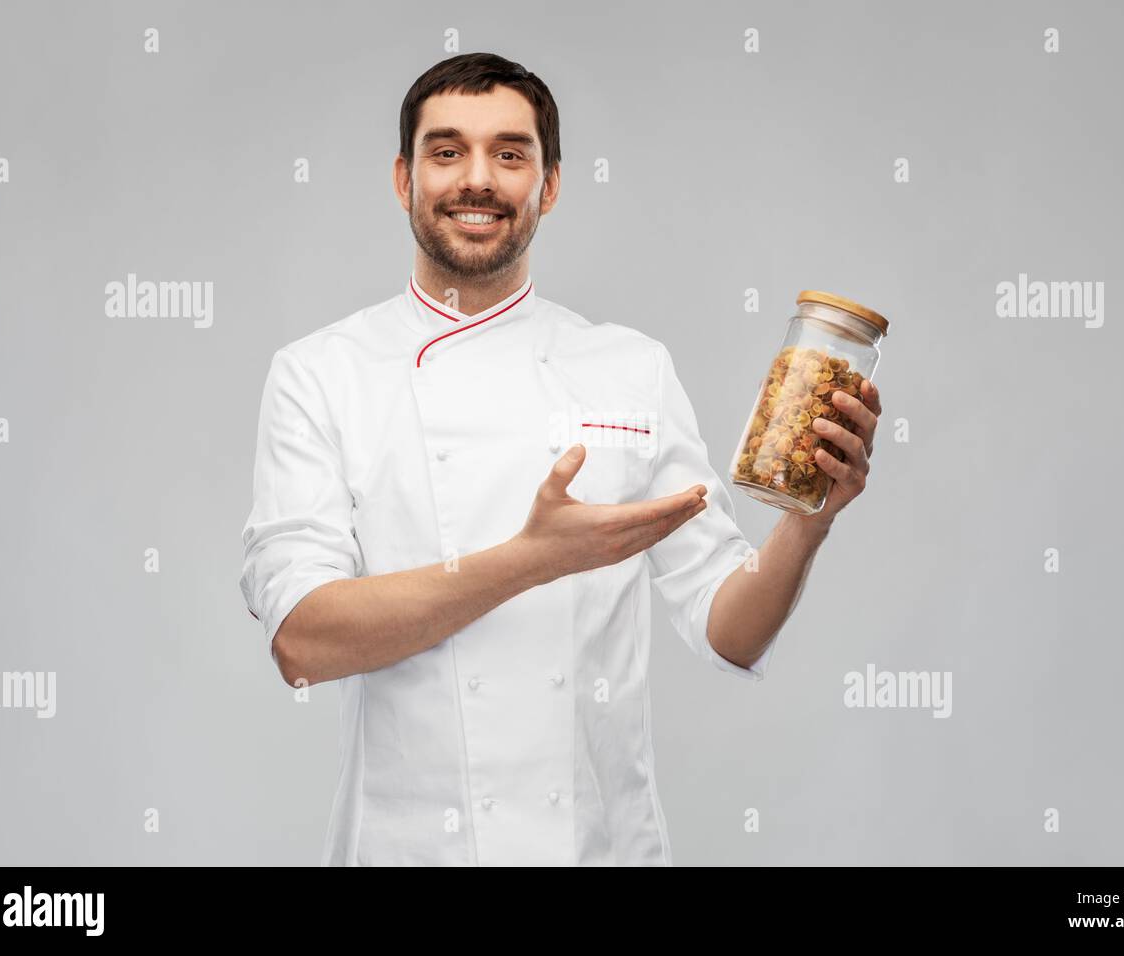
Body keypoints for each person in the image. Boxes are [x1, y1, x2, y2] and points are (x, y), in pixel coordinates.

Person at [239, 52, 883, 866]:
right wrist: (529, 561)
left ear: (548, 187)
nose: (478, 179)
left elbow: (731, 629)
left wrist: (806, 524)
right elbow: (303, 640)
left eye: (510, 155)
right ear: (403, 179)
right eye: (447, 152)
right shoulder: (320, 374)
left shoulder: (629, 368)